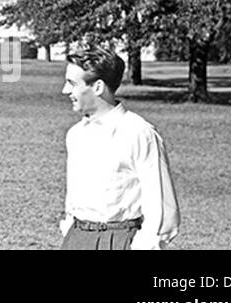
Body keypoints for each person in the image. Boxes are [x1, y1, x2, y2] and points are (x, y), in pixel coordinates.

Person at [60, 46, 180, 250]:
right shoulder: (76, 134)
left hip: (120, 241)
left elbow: (162, 209)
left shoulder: (139, 133)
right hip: (76, 239)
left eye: (72, 83)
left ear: (98, 87)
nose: (65, 91)